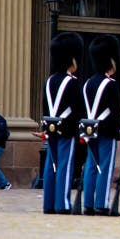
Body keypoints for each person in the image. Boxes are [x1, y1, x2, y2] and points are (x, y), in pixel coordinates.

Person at [42, 32, 85, 214]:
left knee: (50, 165)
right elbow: (78, 109)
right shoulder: (72, 82)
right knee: (64, 167)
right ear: (72, 58)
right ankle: (62, 204)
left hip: (51, 128)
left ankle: (48, 204)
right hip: (67, 129)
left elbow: (45, 105)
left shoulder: (50, 80)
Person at [79, 36, 120, 215]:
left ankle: (88, 203)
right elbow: (116, 111)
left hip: (91, 130)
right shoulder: (111, 84)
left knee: (91, 166)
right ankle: (101, 203)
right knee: (105, 166)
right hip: (107, 131)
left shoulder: (88, 83)